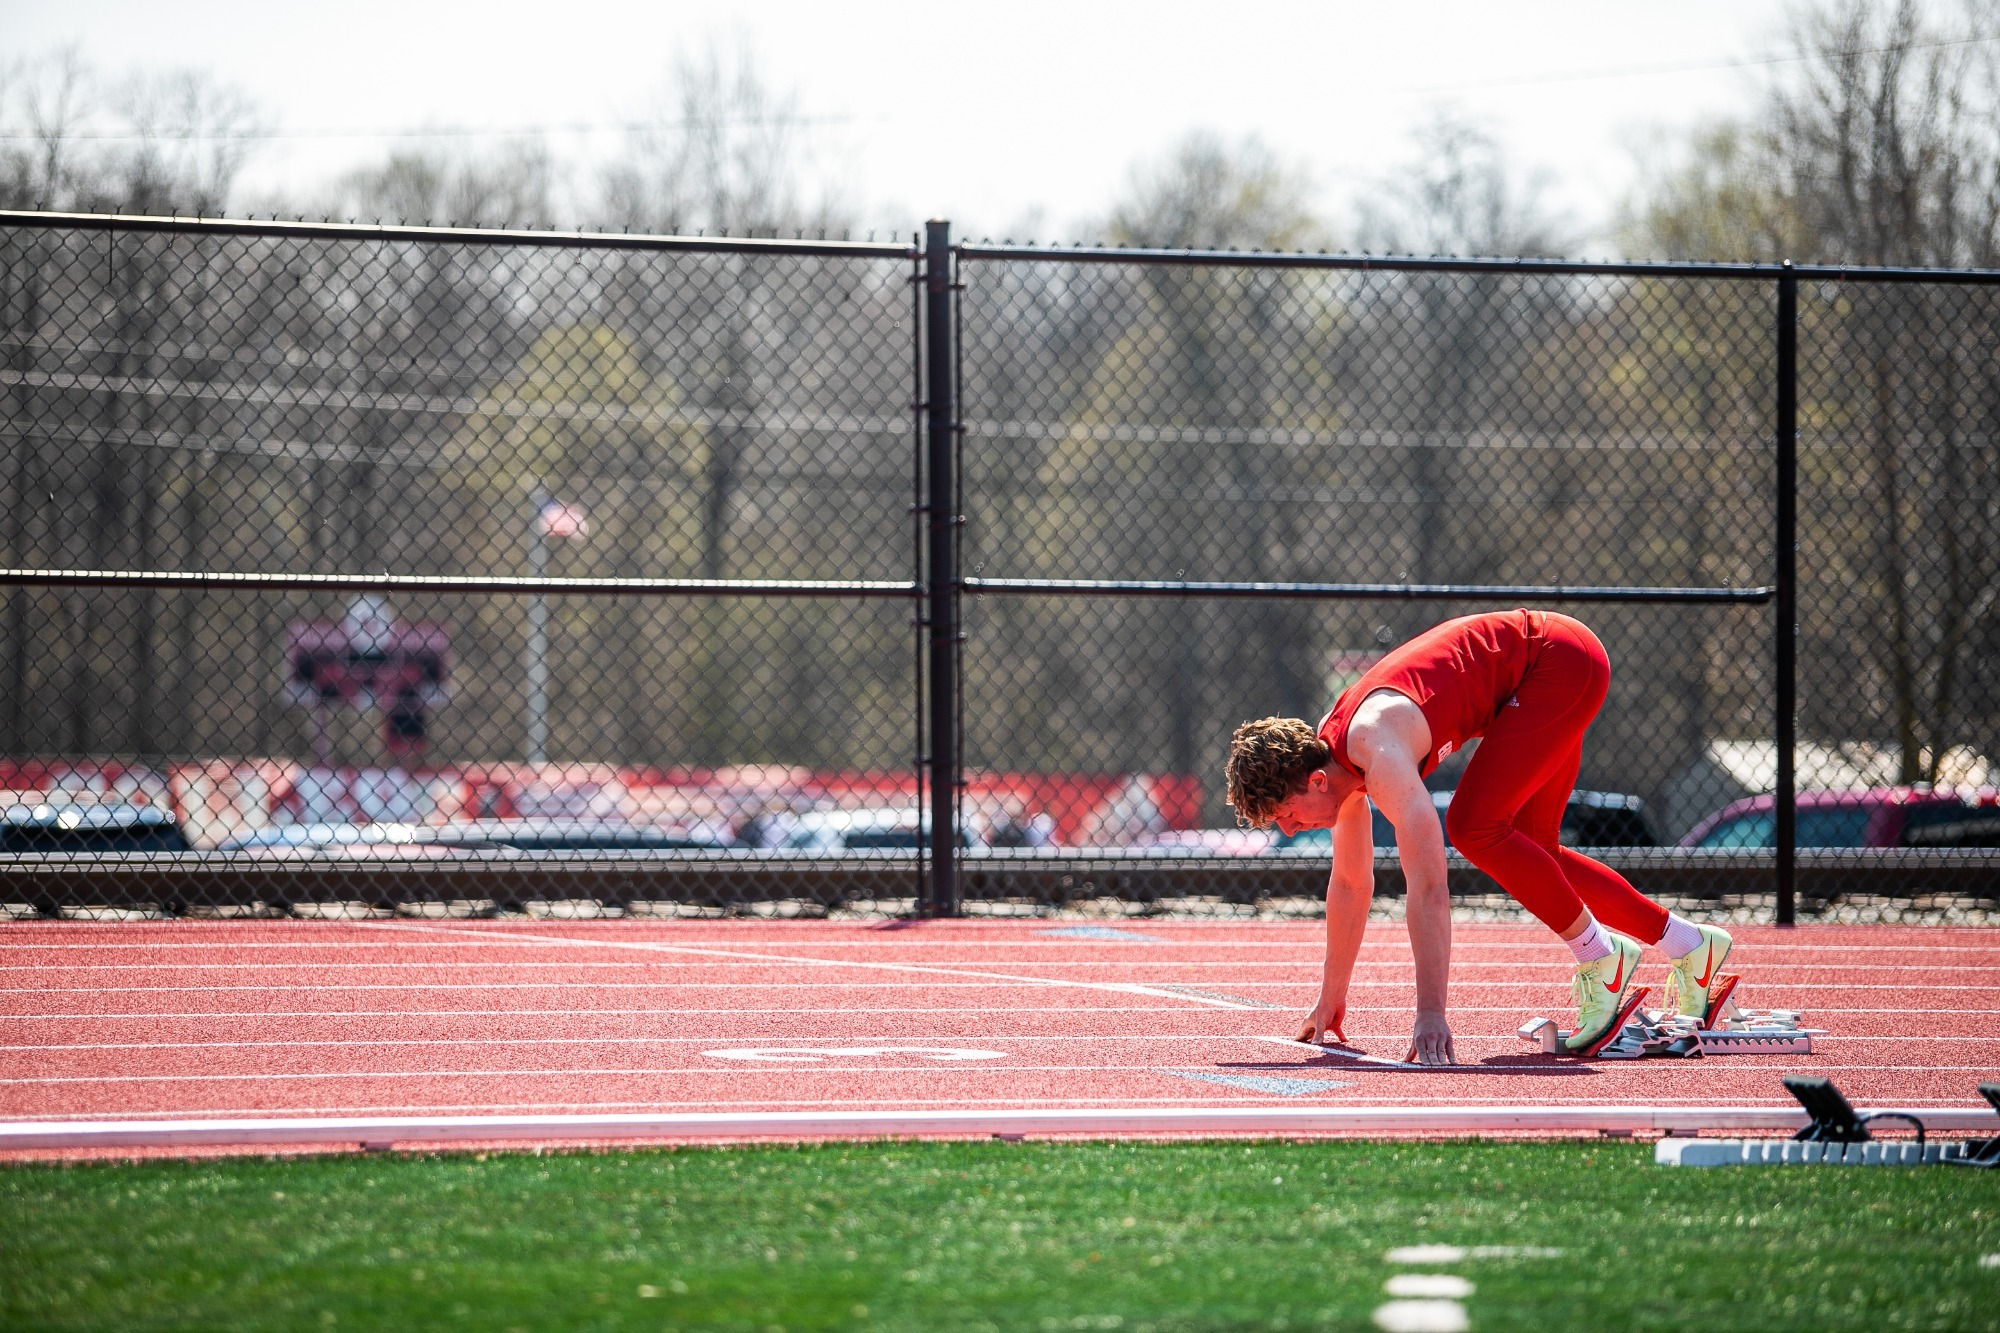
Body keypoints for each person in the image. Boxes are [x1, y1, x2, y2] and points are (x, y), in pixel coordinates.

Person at [1225, 609, 1731, 1064]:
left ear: (1314, 781)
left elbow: (1429, 889)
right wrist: (1332, 994)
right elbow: (1352, 885)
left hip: (1557, 663)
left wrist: (1429, 1014)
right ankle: (1690, 944)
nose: (1289, 829)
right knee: (1535, 850)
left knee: (1472, 827)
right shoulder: (1337, 765)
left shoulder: (1377, 753)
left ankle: (1602, 957)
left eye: (1286, 814)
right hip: (1548, 667)